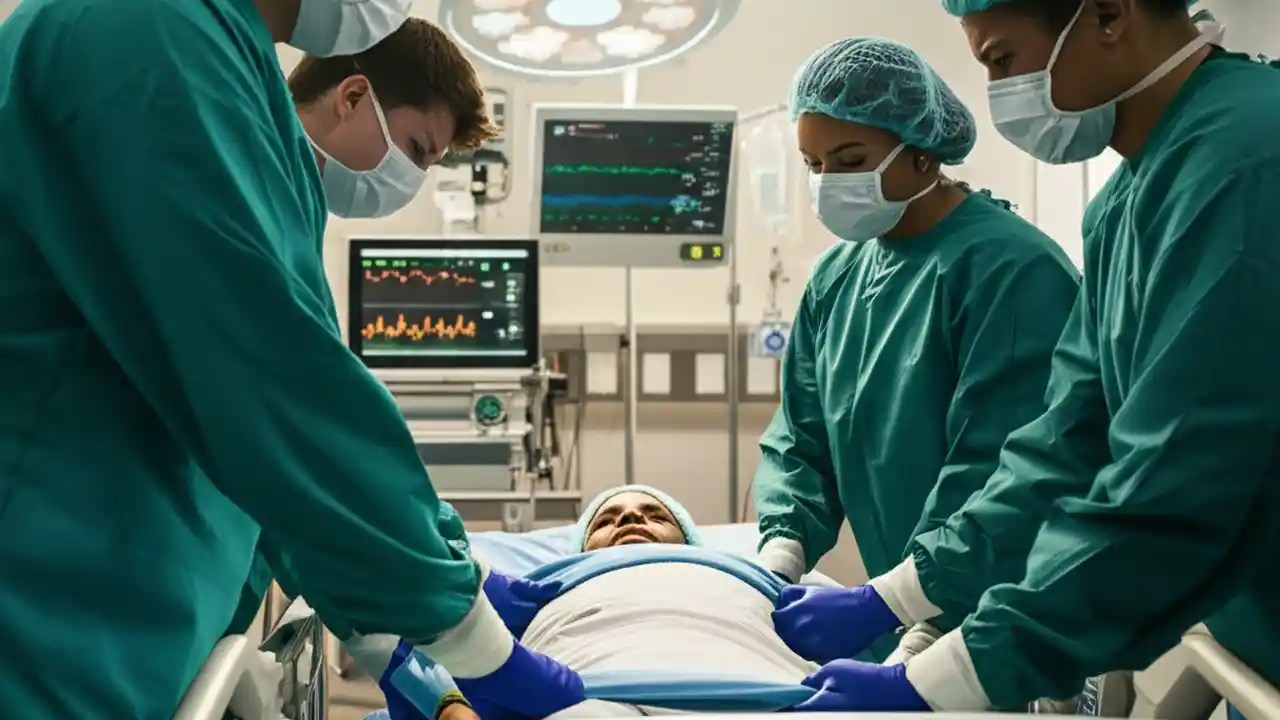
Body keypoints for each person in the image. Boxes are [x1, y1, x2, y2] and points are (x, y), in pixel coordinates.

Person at [0, 1, 578, 717]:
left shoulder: (226, 73)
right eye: (420, 152)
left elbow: (266, 431)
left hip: (115, 603)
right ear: (354, 95)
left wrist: (397, 625)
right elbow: (278, 391)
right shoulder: (148, 31)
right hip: (48, 609)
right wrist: (471, 639)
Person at [772, 0, 1280, 713]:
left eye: (1002, 61)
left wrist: (958, 668)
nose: (1000, 92)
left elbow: (1186, 474)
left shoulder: (1246, 159)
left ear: (1109, 15)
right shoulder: (1128, 201)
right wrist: (898, 597)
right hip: (1251, 643)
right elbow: (1063, 442)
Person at [751, 35, 1080, 663]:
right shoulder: (836, 277)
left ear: (924, 155)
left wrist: (929, 622)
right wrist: (782, 547)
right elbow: (803, 434)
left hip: (997, 610)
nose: (828, 183)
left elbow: (1001, 470)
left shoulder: (1010, 270)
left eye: (850, 159)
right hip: (906, 606)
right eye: (814, 164)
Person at [380, 485, 826, 720]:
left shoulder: (749, 576)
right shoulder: (550, 584)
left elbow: (866, 634)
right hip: (594, 696)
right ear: (580, 549)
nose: (631, 519)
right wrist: (449, 706)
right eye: (608, 519)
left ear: (691, 541)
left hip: (762, 689)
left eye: (656, 515)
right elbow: (430, 627)